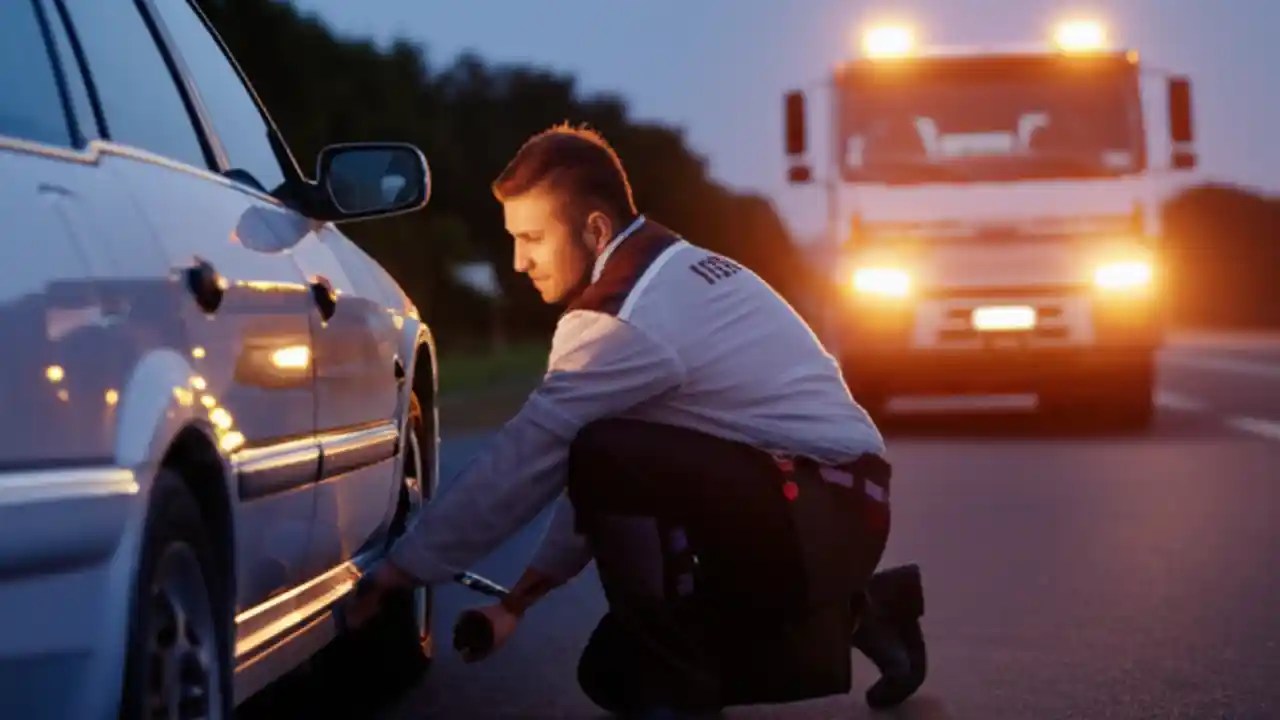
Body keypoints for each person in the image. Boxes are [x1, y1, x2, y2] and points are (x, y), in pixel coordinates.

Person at [341, 123, 927, 717]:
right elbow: (596, 484)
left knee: (657, 673)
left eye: (533, 238)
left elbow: (530, 457)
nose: (519, 262)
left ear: (595, 230)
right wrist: (516, 603)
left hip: (825, 502)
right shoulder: (667, 269)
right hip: (833, 508)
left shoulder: (627, 315)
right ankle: (873, 609)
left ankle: (688, 683)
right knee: (613, 673)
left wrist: (401, 570)